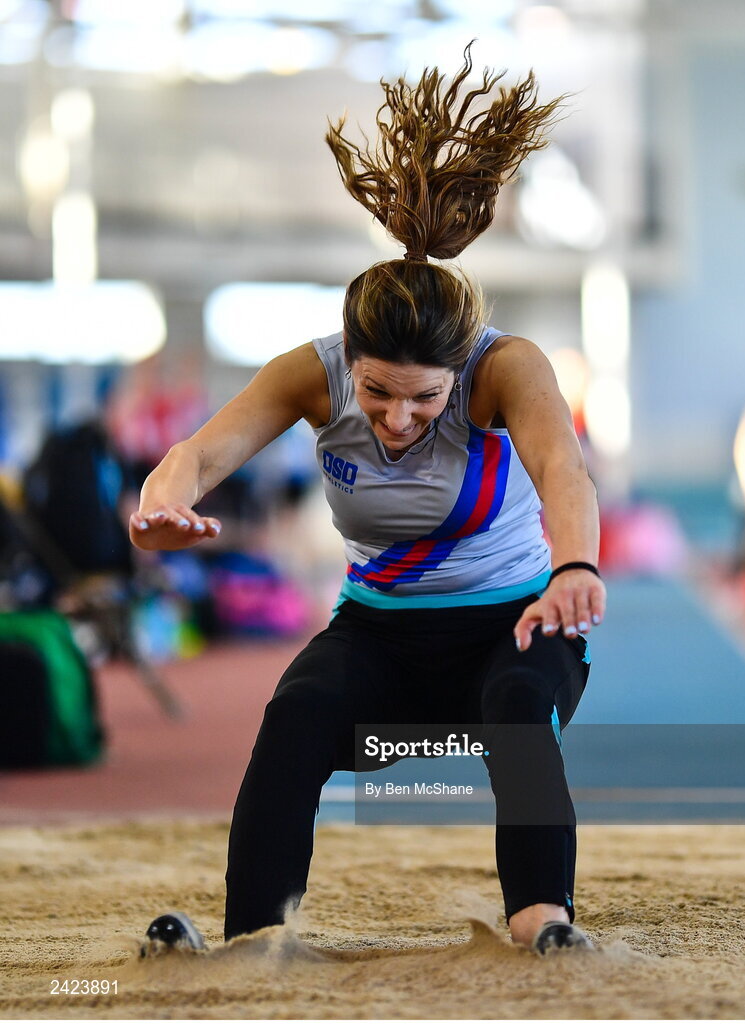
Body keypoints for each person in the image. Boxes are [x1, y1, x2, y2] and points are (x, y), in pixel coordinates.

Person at [131, 44, 606, 956]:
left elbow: (563, 472)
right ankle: (254, 938)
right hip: (379, 633)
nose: (396, 418)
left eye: (425, 399)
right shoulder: (311, 375)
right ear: (350, 360)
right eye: (378, 391)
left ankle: (545, 922)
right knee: (298, 709)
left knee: (516, 704)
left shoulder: (508, 368)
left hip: (512, 623)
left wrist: (574, 566)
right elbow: (199, 452)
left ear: (458, 375)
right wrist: (161, 506)